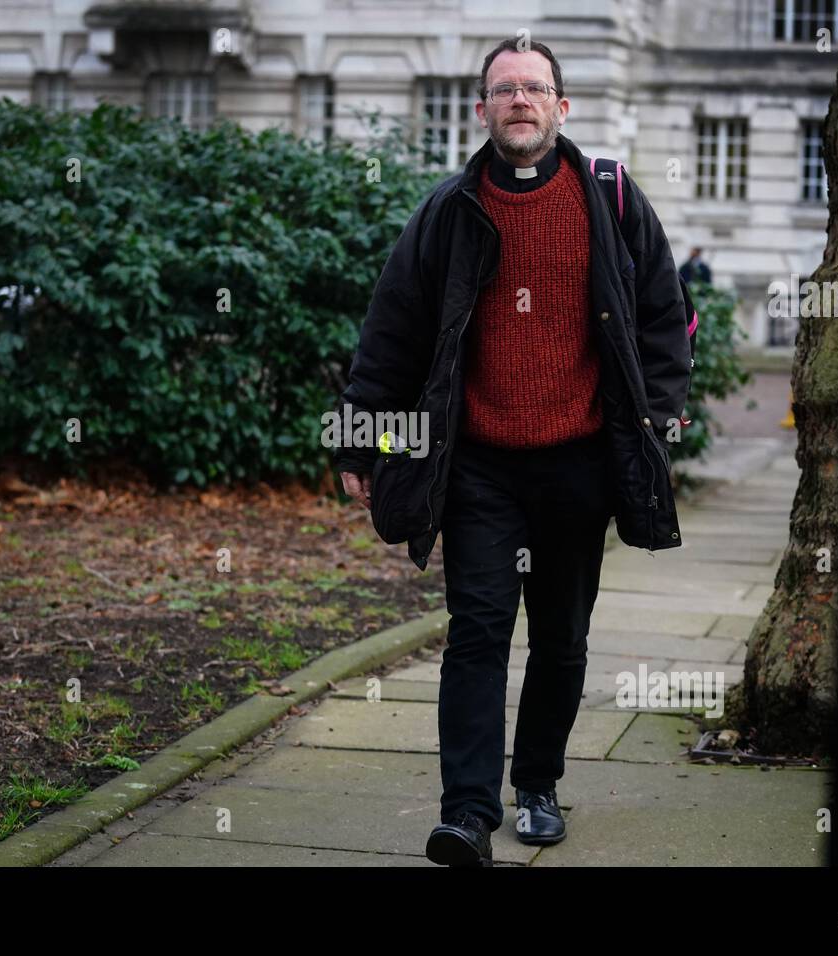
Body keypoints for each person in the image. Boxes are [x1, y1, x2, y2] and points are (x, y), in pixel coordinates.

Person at [330, 37, 691, 867]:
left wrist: (654, 417)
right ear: (483, 109)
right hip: (481, 465)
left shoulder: (610, 196)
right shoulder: (447, 210)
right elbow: (394, 331)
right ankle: (466, 812)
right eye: (504, 90)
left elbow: (664, 315)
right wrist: (359, 432)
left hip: (578, 461)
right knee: (478, 631)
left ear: (562, 108)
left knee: (561, 637)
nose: (519, 100)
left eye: (536, 88)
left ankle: (536, 784)